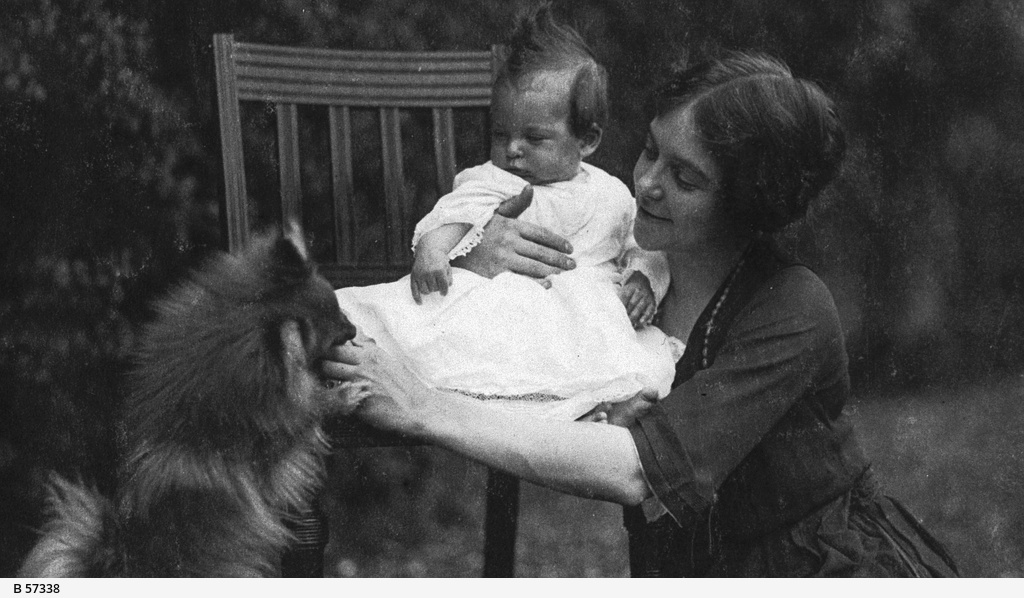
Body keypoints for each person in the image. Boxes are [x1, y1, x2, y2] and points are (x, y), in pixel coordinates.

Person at [324, 51, 960, 577]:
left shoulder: (792, 307)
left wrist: (423, 408)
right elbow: (499, 349)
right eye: (650, 150)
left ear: (746, 201)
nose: (648, 183)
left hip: (811, 570)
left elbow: (636, 470)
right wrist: (470, 253)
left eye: (685, 178)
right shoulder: (616, 264)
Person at [334, 5, 675, 420]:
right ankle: (560, 412)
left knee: (612, 361)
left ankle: (588, 409)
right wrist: (433, 250)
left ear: (587, 141)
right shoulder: (495, 179)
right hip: (505, 309)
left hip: (585, 319)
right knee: (476, 355)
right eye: (501, 134)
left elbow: (642, 244)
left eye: (534, 138)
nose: (512, 149)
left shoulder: (612, 194)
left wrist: (642, 278)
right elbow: (455, 214)